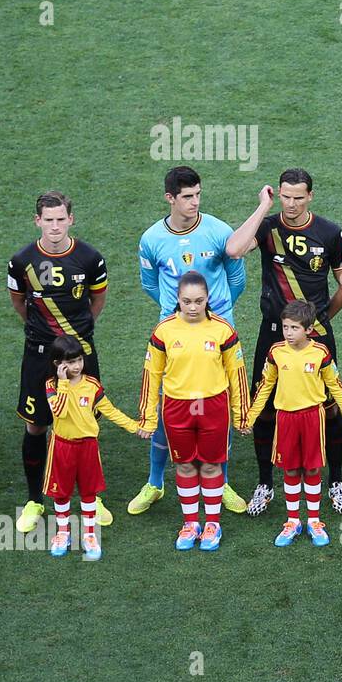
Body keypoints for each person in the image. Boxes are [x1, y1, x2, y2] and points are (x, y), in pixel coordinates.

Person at [226, 170, 342, 517]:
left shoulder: (330, 233)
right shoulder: (268, 228)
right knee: (266, 404)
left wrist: (321, 319)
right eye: (285, 196)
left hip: (316, 335)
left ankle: (336, 481)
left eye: (299, 197)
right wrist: (262, 207)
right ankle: (266, 483)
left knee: (327, 406)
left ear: (311, 196)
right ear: (278, 194)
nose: (292, 203)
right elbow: (234, 249)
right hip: (272, 333)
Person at [131, 166, 248, 516]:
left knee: (220, 403)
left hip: (218, 327)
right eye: (187, 197)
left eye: (197, 194)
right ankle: (155, 482)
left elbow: (236, 279)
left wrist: (218, 314)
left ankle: (221, 481)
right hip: (173, 331)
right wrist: (173, 315)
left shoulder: (218, 231)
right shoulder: (152, 239)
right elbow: (149, 284)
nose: (195, 202)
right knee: (171, 407)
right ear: (170, 198)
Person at [8, 191, 113, 533]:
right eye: (48, 220)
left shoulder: (90, 259)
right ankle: (34, 500)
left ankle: (91, 498)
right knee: (37, 425)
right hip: (39, 357)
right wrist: (47, 340)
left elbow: (97, 301)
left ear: (71, 219)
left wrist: (76, 339)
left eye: (60, 219)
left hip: (81, 354)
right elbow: (19, 303)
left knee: (84, 425)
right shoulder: (21, 261)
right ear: (37, 221)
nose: (55, 226)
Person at [139, 272, 250, 552]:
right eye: (186, 301)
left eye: (198, 301)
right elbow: (151, 375)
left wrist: (241, 414)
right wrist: (148, 416)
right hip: (177, 407)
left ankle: (212, 523)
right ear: (177, 299)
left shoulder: (223, 330)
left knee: (211, 465)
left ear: (207, 299)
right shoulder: (163, 331)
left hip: (213, 405)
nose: (192, 307)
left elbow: (237, 375)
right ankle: (190, 523)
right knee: (185, 465)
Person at [241, 301, 342, 547]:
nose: (289, 333)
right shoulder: (275, 352)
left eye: (294, 328)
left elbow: (335, 385)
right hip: (285, 419)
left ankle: (314, 521)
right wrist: (250, 417)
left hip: (313, 418)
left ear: (309, 329)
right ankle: (293, 521)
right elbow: (265, 387)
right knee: (291, 469)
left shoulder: (321, 353)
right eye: (285, 327)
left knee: (312, 469)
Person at [43, 336, 147, 561]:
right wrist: (63, 383)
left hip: (88, 447)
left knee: (89, 492)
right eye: (70, 362)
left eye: (79, 360)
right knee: (61, 493)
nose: (76, 366)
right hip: (62, 446)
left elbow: (110, 411)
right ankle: (63, 533)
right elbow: (58, 411)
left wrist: (134, 427)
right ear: (57, 364)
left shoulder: (92, 385)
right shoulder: (51, 386)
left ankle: (89, 535)